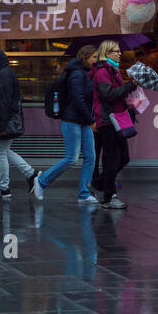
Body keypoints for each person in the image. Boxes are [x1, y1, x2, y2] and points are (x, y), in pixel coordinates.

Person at [38, 45, 98, 206]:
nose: (96, 61)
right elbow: (78, 99)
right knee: (71, 158)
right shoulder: (77, 74)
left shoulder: (85, 73)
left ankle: (84, 194)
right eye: (94, 57)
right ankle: (41, 181)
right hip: (72, 120)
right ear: (85, 58)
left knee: (90, 157)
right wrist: (91, 119)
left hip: (82, 120)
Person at [0, 47, 40, 200]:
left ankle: (4, 188)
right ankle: (30, 174)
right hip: (2, 118)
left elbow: (5, 101)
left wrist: (3, 125)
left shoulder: (3, 74)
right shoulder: (3, 73)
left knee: (0, 152)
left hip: (3, 119)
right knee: (3, 150)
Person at [91, 39, 138, 210]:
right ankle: (108, 197)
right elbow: (109, 94)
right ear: (106, 53)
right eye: (115, 51)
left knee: (123, 157)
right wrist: (130, 86)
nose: (119, 53)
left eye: (119, 51)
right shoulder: (102, 72)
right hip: (107, 120)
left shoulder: (114, 70)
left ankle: (99, 183)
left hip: (117, 119)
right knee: (113, 159)